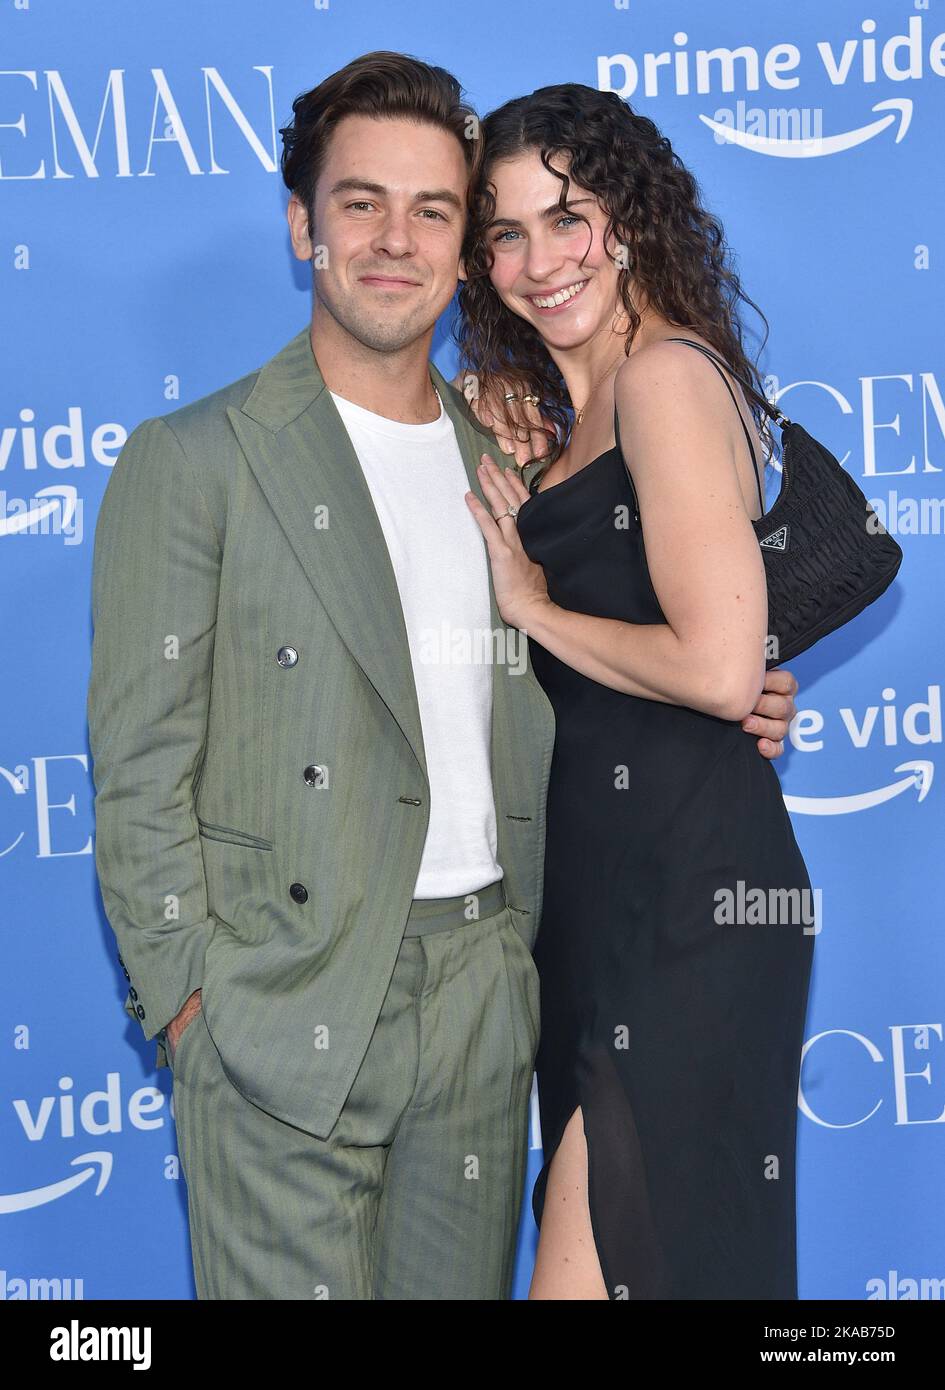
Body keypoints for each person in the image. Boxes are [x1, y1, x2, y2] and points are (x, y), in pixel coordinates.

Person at [87, 53, 798, 1301]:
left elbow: (653, 641)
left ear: (461, 248)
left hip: (487, 999)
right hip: (285, 1002)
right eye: (360, 203)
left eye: (433, 211)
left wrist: (738, 681)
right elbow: (137, 762)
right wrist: (192, 1009)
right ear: (304, 225)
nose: (395, 241)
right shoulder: (195, 457)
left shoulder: (514, 459)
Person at [457, 83, 816, 1299]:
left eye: (570, 217)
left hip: (692, 896)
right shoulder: (567, 415)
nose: (538, 259)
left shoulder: (663, 376)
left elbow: (718, 670)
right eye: (503, 232)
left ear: (633, 214)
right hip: (598, 894)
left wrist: (537, 606)